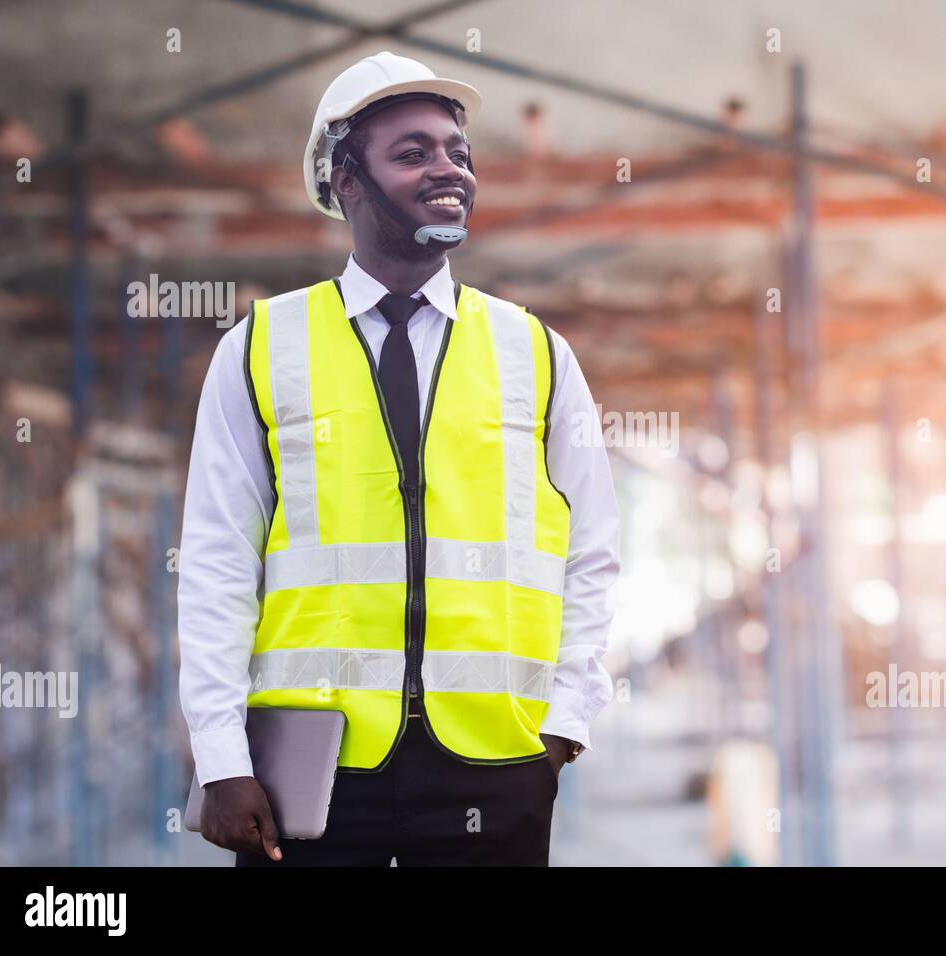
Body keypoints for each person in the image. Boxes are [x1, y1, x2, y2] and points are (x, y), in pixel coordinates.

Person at [177, 52, 620, 866]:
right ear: (346, 179)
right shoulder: (260, 348)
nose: (447, 169)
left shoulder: (537, 351)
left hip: (497, 766)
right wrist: (220, 756)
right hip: (308, 772)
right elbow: (215, 559)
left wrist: (565, 724)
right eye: (412, 153)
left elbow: (592, 550)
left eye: (457, 151)